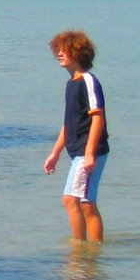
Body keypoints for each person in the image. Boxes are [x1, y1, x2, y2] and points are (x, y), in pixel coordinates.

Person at [43, 30, 109, 242]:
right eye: (58, 50)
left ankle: (81, 249)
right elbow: (68, 123)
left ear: (78, 53)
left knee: (73, 200)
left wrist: (89, 154)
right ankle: (90, 250)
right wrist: (55, 153)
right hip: (77, 151)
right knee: (85, 201)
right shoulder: (71, 83)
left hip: (89, 151)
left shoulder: (88, 81)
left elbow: (98, 117)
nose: (59, 54)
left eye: (65, 50)